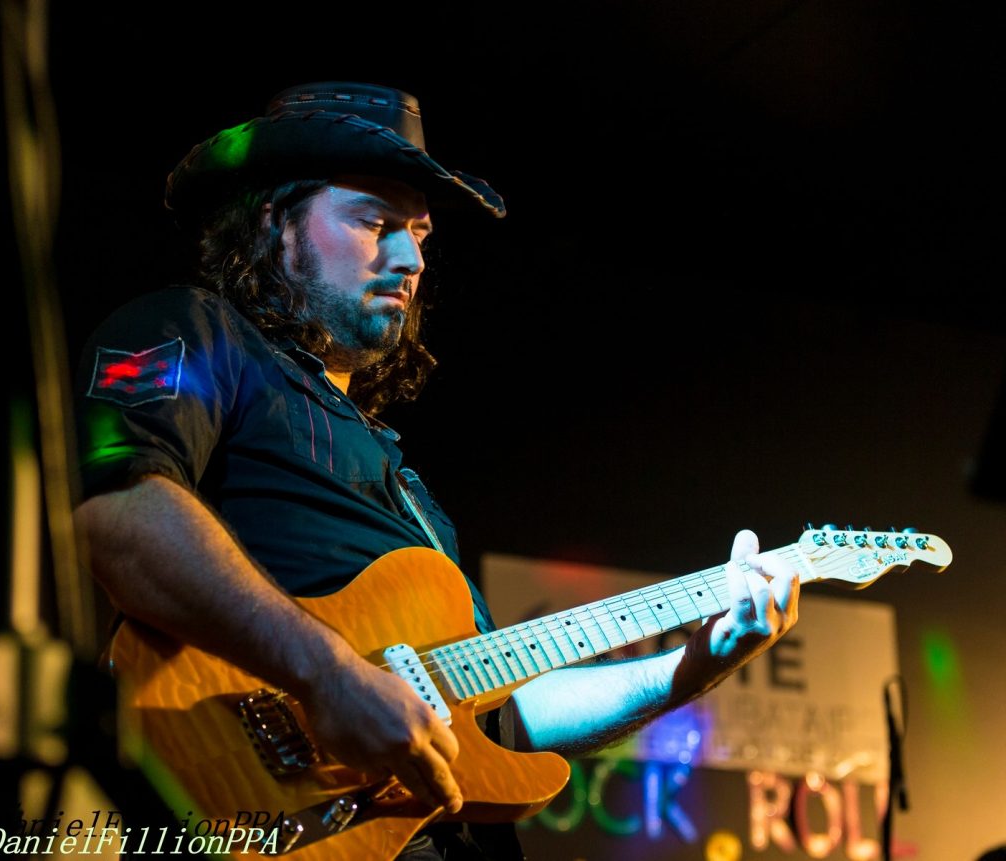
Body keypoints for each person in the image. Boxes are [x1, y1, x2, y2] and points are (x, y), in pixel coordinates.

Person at [72, 81, 800, 860]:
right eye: (375, 222)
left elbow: (502, 717)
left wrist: (689, 670)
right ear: (275, 223)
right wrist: (327, 675)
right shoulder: (192, 329)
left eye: (420, 233)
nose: (411, 258)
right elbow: (119, 514)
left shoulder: (408, 491)